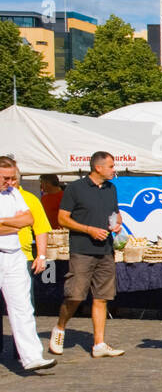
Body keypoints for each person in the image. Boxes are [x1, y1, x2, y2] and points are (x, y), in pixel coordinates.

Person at [52, 151, 124, 358]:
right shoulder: (75, 188)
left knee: (102, 297)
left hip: (106, 250)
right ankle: (60, 327)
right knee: (75, 294)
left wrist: (117, 224)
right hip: (82, 249)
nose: (114, 169)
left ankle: (99, 344)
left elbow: (115, 213)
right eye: (111, 166)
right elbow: (63, 219)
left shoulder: (111, 188)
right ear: (98, 167)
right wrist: (89, 229)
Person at [0, 156, 56, 371]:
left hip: (14, 255)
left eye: (13, 177)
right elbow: (19, 222)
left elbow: (28, 220)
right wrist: (12, 223)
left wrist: (6, 223)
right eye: (5, 178)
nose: (10, 182)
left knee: (23, 307)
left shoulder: (14, 193)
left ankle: (31, 357)